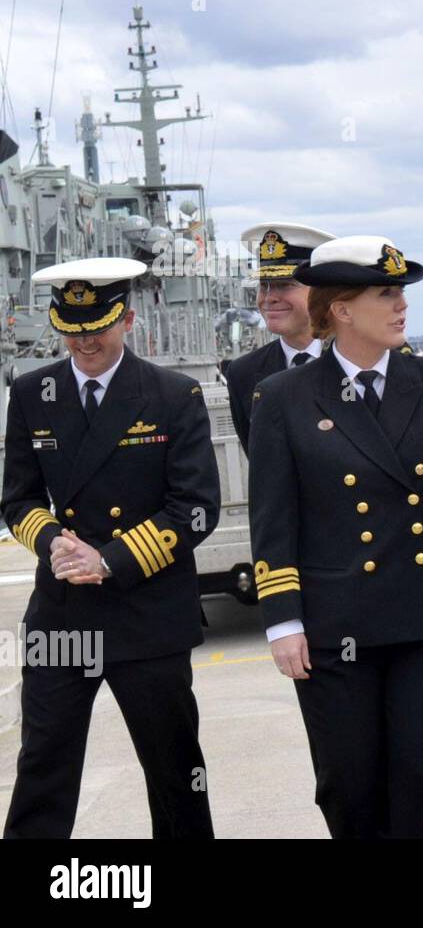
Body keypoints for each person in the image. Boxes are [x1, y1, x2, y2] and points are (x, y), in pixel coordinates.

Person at [248, 236, 423, 837]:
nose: (402, 306)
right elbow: (273, 519)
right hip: (333, 622)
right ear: (341, 309)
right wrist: (282, 621)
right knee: (348, 782)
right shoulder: (283, 397)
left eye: (402, 293)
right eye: (387, 293)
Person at [2, 258, 220, 838]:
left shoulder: (173, 395)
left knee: (174, 766)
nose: (83, 340)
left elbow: (195, 507)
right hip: (62, 611)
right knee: (42, 762)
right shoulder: (31, 394)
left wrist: (110, 560)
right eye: (71, 328)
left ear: (126, 318)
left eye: (96, 325)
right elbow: (17, 501)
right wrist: (55, 545)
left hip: (147, 609)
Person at [224, 223, 336, 454]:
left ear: (321, 292)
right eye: (263, 286)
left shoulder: (358, 359)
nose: (269, 298)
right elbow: (259, 460)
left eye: (284, 285)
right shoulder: (243, 373)